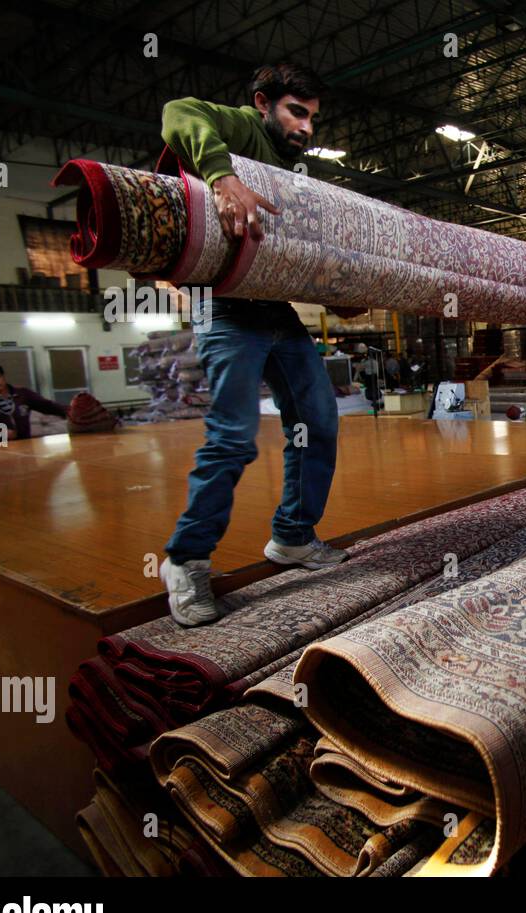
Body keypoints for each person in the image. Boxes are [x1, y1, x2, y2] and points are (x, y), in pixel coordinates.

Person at [159, 62, 365, 626]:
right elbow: (179, 113)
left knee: (319, 420)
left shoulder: (293, 169)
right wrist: (221, 178)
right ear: (262, 102)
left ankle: (294, 538)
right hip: (224, 308)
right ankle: (185, 559)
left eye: (313, 118)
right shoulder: (242, 131)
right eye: (296, 112)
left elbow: (291, 254)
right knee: (232, 437)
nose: (306, 128)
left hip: (277, 311)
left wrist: (340, 294)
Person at [0, 364, 69, 442]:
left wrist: (70, 411)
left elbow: (46, 405)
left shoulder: (23, 394)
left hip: (25, 442)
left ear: (3, 376)